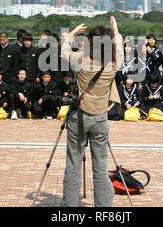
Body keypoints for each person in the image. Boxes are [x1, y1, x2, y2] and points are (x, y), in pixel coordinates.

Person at [61, 16, 124, 207]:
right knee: (100, 166)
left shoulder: (80, 60)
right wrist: (115, 29)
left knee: (73, 163)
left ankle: (70, 207)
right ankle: (103, 207)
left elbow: (64, 52)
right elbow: (119, 46)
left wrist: (71, 34)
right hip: (100, 118)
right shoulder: (113, 64)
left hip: (79, 116)